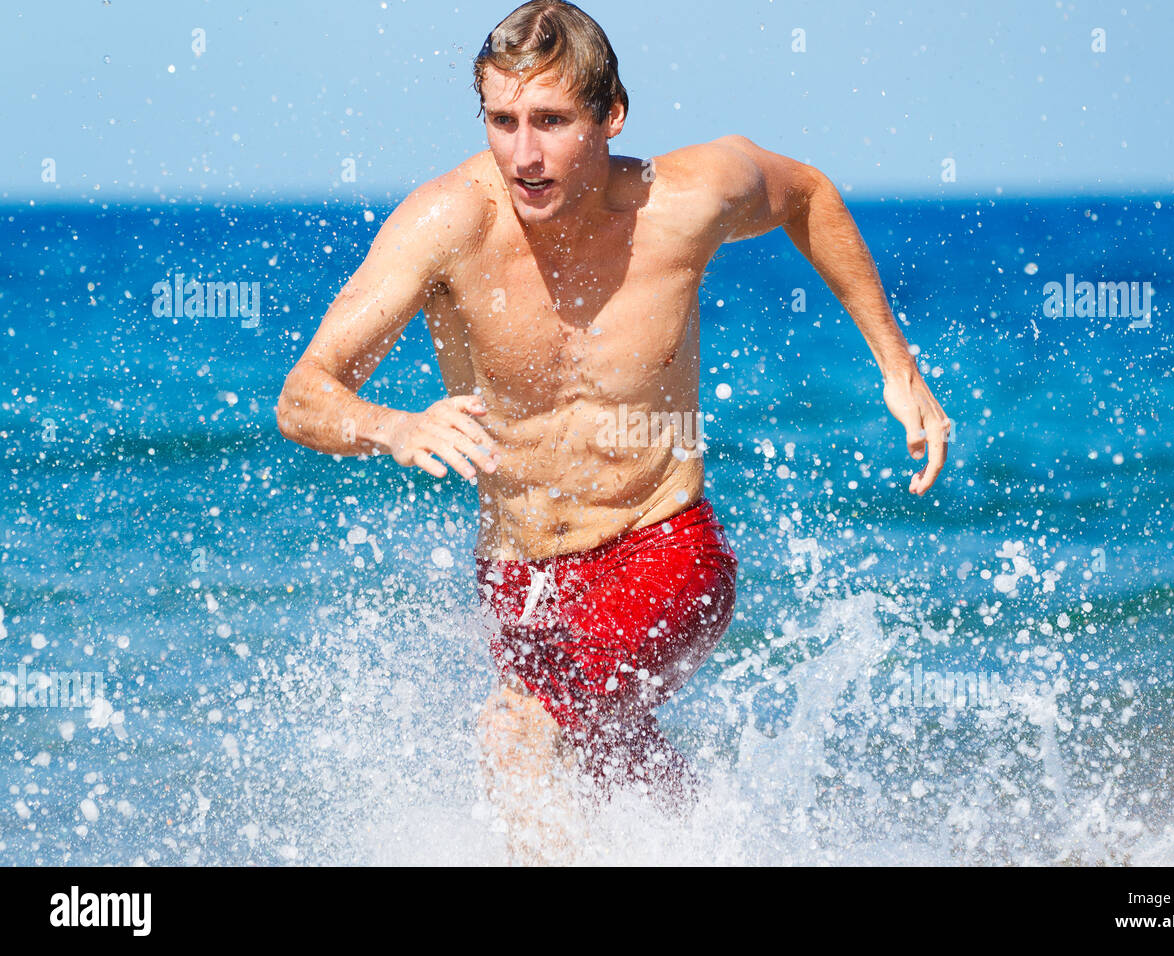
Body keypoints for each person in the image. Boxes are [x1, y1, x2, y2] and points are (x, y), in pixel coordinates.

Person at [276, 0, 950, 859]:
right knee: (606, 762)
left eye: (552, 122)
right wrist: (391, 427)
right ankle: (718, 850)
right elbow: (304, 396)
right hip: (517, 580)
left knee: (519, 733)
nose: (525, 154)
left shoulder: (685, 202)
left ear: (610, 115)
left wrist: (898, 368)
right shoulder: (447, 224)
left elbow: (807, 194)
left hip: (662, 548)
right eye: (503, 121)